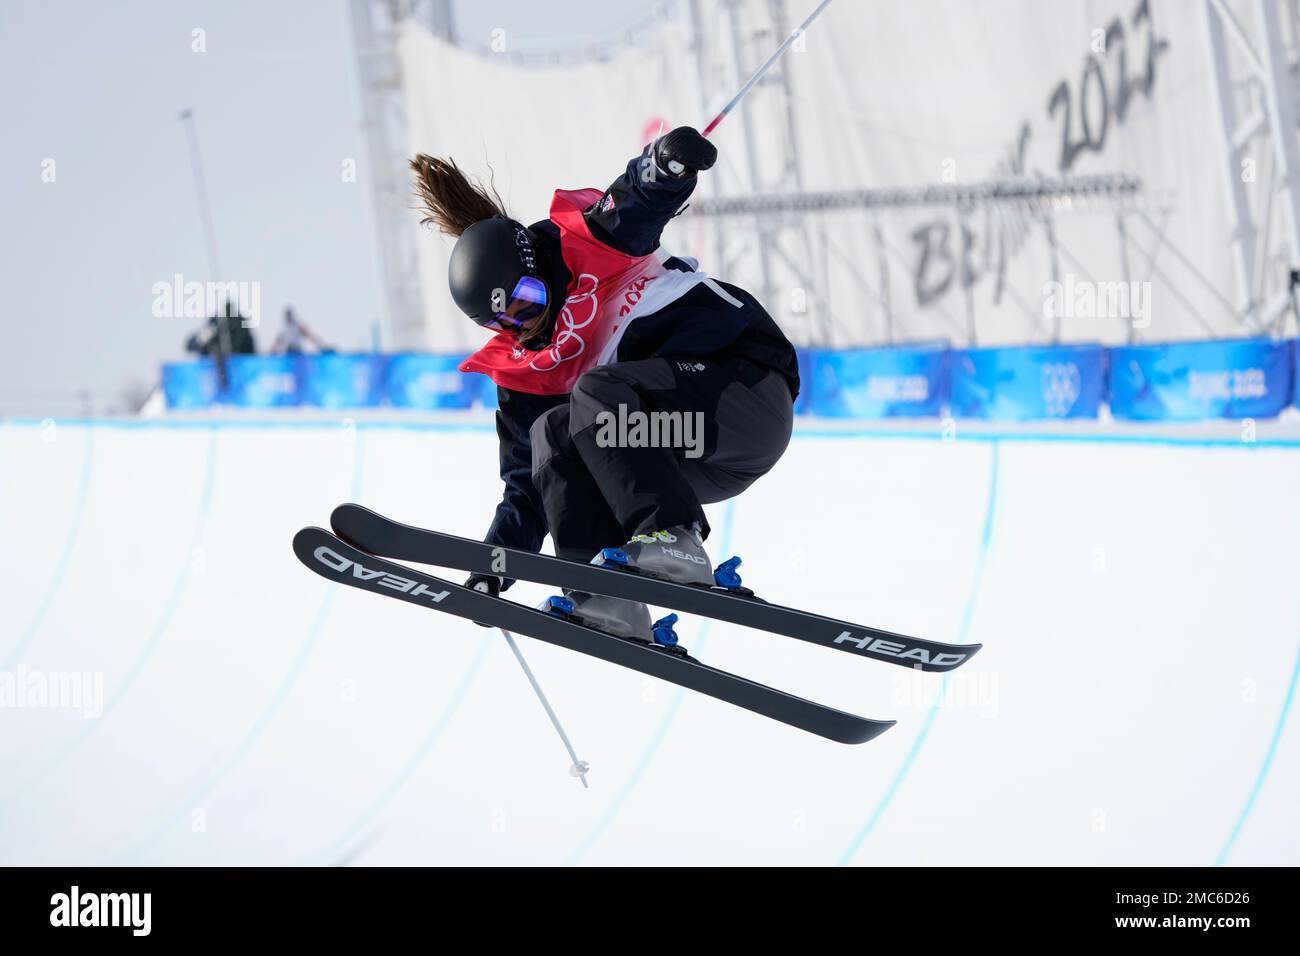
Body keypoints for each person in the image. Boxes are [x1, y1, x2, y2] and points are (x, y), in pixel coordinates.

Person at [409, 128, 798, 645]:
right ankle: (605, 594)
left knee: (594, 391)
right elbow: (526, 487)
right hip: (681, 448)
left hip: (742, 397)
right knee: (553, 432)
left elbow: (636, 199)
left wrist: (665, 167)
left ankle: (674, 537)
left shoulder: (590, 244)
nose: (526, 322)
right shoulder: (527, 368)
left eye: (527, 299)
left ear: (535, 267)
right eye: (508, 321)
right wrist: (493, 567)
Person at [185, 298, 257, 388]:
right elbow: (196, 342)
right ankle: (224, 385)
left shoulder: (238, 322)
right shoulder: (216, 323)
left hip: (236, 361)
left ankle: (226, 386)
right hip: (222, 361)